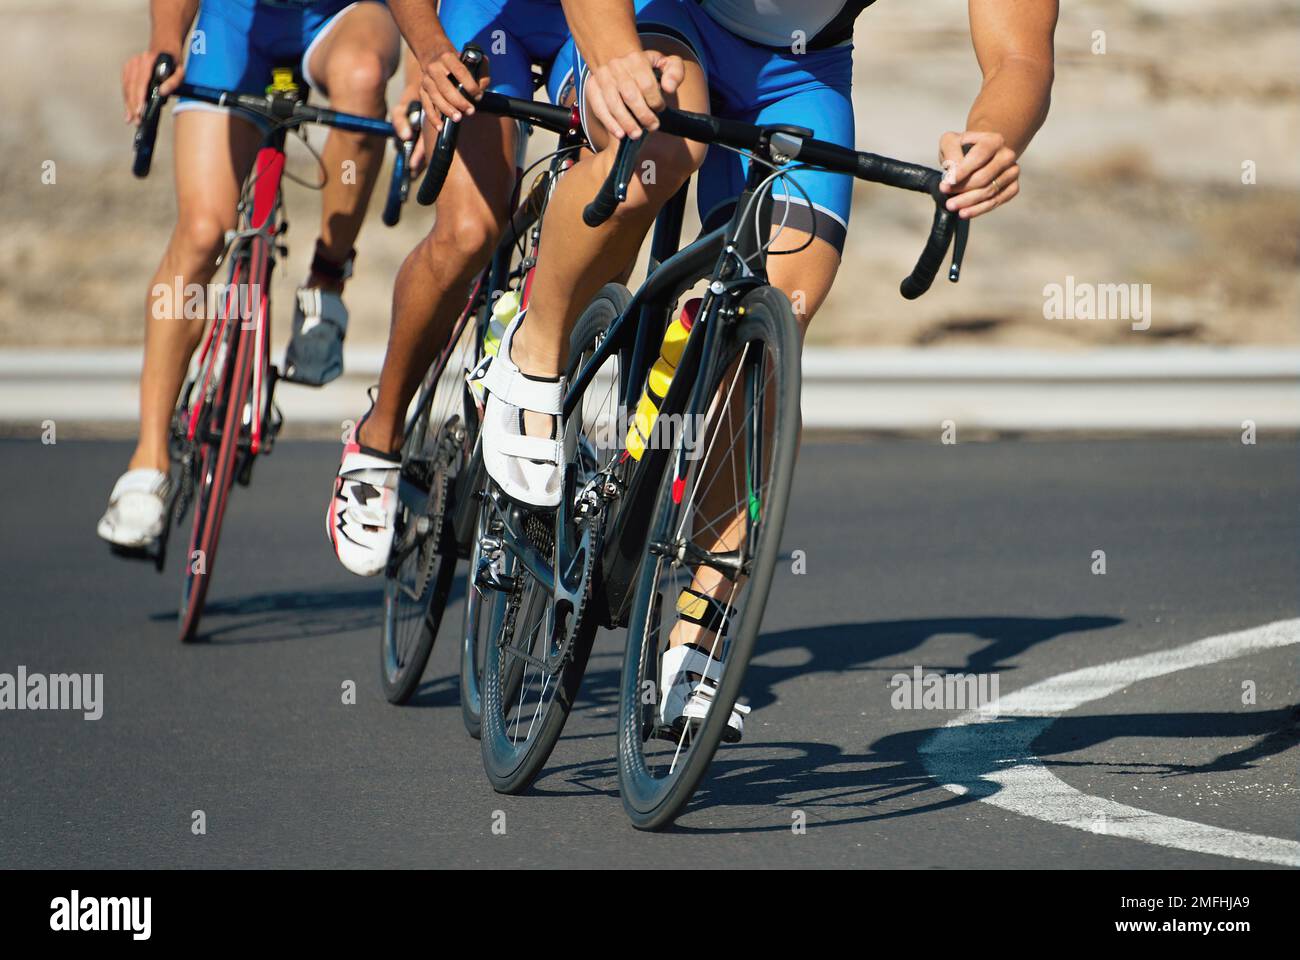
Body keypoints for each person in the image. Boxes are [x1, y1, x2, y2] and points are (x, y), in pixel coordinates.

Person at [475, 0, 1059, 737]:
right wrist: (611, 50)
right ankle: (535, 350)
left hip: (801, 68)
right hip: (666, 21)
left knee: (784, 313)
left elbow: (1020, 57)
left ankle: (703, 620)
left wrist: (994, 140)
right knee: (660, 155)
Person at [98, 0, 403, 550]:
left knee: (363, 77)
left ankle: (326, 283)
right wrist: (166, 45)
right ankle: (147, 461)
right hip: (233, 23)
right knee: (201, 234)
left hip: (341, 17)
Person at [327, 0, 577, 575]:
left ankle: (544, 365)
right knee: (469, 232)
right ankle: (380, 432)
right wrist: (430, 53)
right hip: (488, 18)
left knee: (602, 204)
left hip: (600, 20)